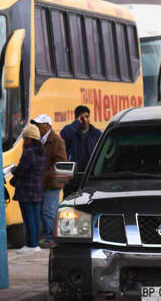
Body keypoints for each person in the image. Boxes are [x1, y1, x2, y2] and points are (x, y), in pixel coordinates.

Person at [34, 113, 67, 247]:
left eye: (39, 125)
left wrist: (45, 174)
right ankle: (48, 237)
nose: (37, 127)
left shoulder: (57, 140)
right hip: (43, 182)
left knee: (48, 211)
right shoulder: (39, 140)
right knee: (43, 211)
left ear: (47, 126)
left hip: (52, 183)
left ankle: (51, 238)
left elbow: (60, 162)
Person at [11, 124, 45, 252]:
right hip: (37, 189)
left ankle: (30, 244)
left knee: (28, 218)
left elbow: (21, 170)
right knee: (36, 218)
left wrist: (13, 169)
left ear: (30, 138)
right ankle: (35, 244)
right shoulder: (41, 152)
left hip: (26, 190)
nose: (24, 141)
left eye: (25, 138)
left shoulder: (28, 153)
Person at [60, 105, 102, 173]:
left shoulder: (96, 133)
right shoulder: (72, 131)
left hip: (91, 172)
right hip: (75, 172)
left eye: (87, 117)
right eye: (82, 118)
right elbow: (64, 135)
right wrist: (76, 123)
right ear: (77, 119)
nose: (85, 120)